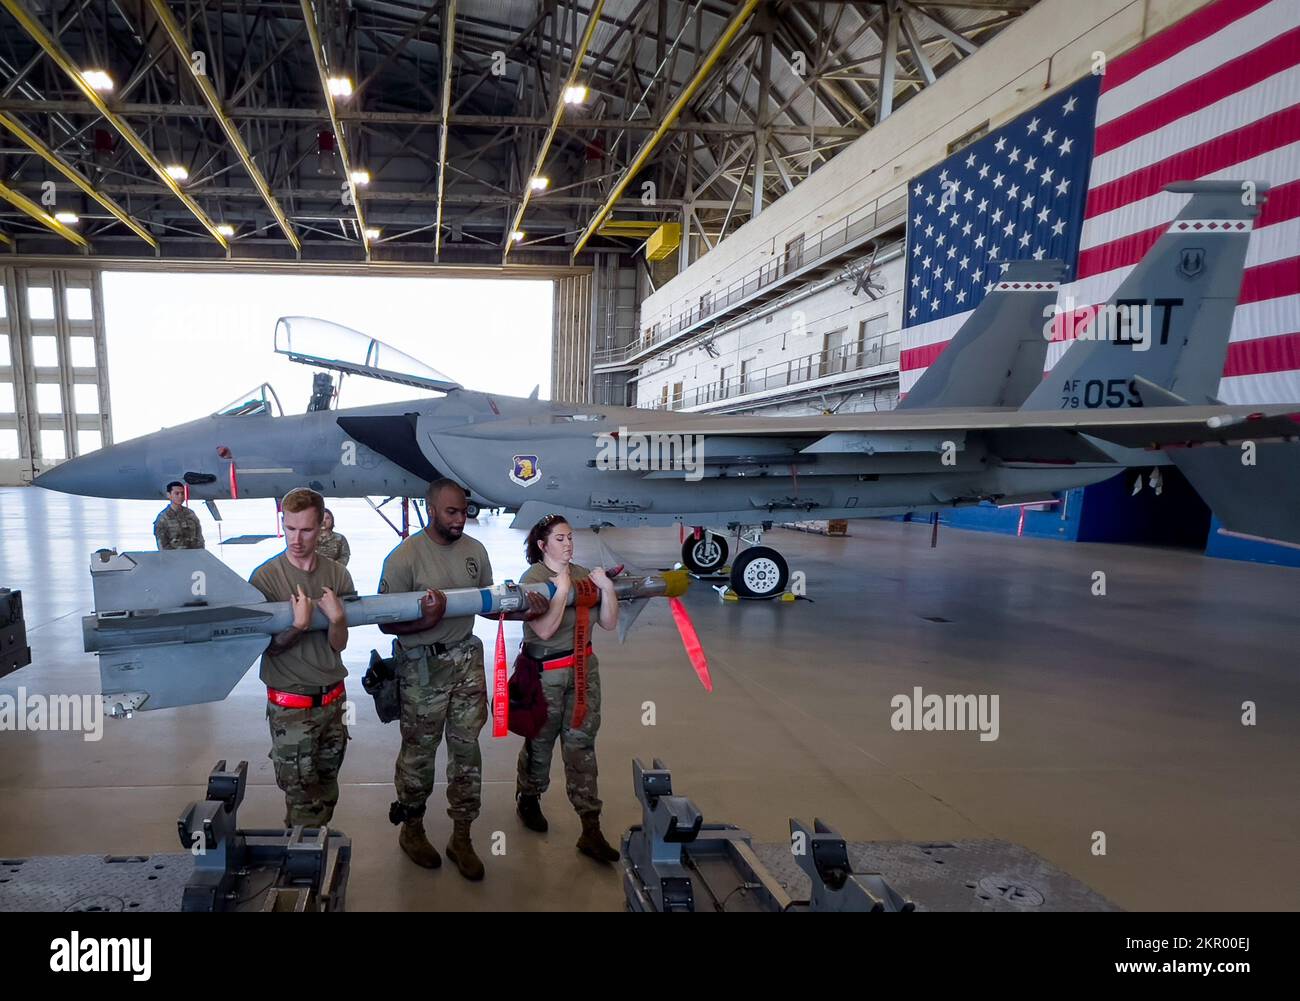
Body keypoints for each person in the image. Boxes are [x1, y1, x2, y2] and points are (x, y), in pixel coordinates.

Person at [378, 478, 545, 879]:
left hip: (467, 662)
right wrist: (425, 620)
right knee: (419, 754)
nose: (460, 520)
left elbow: (485, 603)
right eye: (451, 512)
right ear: (431, 509)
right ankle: (412, 830)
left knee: (467, 753)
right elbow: (385, 623)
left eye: (464, 512)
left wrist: (520, 610)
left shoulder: (475, 551)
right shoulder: (404, 558)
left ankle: (462, 836)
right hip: (422, 667)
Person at [514, 513, 621, 863]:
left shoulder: (582, 575)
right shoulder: (533, 580)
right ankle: (529, 798)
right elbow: (544, 631)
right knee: (540, 743)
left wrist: (606, 589)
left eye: (570, 537)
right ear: (542, 545)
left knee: (581, 747)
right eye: (560, 539)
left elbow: (607, 623)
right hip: (545, 675)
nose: (568, 544)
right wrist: (560, 591)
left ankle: (590, 827)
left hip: (582, 673)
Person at [249, 487, 354, 827]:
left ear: (322, 525)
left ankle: (313, 857)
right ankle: (300, 870)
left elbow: (338, 645)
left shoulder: (337, 576)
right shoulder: (265, 578)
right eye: (290, 528)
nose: (296, 538)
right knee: (301, 801)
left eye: (306, 530)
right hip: (291, 708)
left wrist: (336, 620)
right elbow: (265, 648)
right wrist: (297, 627)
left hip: (333, 702)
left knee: (327, 793)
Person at [153, 481, 205, 550]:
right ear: (169, 495)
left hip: (193, 556)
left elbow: (199, 538)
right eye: (176, 493)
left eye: (182, 493)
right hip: (174, 558)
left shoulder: (190, 514)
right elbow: (163, 546)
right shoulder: (163, 518)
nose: (180, 496)